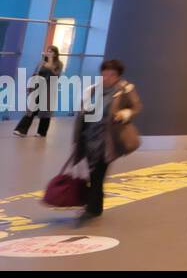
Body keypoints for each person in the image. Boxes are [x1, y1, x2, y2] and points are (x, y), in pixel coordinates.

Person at [71, 58, 142, 220]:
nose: (107, 77)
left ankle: (93, 208)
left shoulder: (125, 89)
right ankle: (93, 205)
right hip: (89, 138)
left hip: (108, 139)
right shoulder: (94, 90)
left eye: (112, 74)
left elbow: (136, 106)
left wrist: (125, 114)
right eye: (105, 73)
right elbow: (83, 113)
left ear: (118, 75)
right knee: (92, 172)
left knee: (98, 173)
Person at [14, 46, 63, 138]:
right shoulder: (41, 63)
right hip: (38, 88)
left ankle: (42, 132)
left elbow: (57, 76)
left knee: (45, 111)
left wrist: (51, 65)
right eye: (48, 51)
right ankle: (21, 130)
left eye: (51, 52)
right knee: (31, 109)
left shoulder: (59, 64)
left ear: (55, 54)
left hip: (49, 90)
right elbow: (35, 74)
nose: (49, 53)